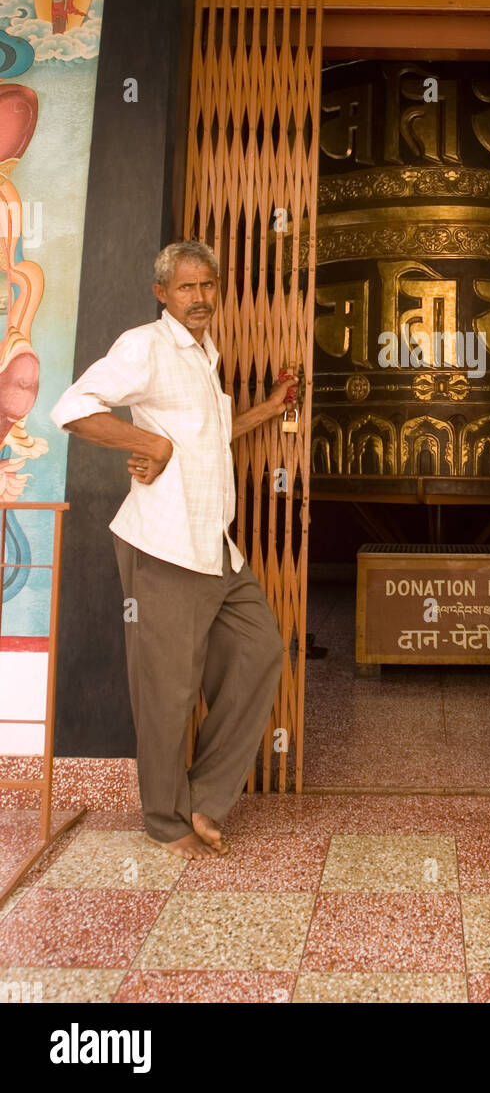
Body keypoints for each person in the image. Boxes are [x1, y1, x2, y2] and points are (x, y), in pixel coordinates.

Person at [50, 240, 296, 860]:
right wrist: (146, 443)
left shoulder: (205, 355)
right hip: (163, 543)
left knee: (259, 650)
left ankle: (204, 796)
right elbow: (72, 407)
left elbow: (208, 436)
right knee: (167, 689)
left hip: (212, 543)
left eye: (208, 285)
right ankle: (165, 819)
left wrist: (268, 408)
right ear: (162, 293)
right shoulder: (147, 346)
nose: (200, 298)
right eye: (186, 288)